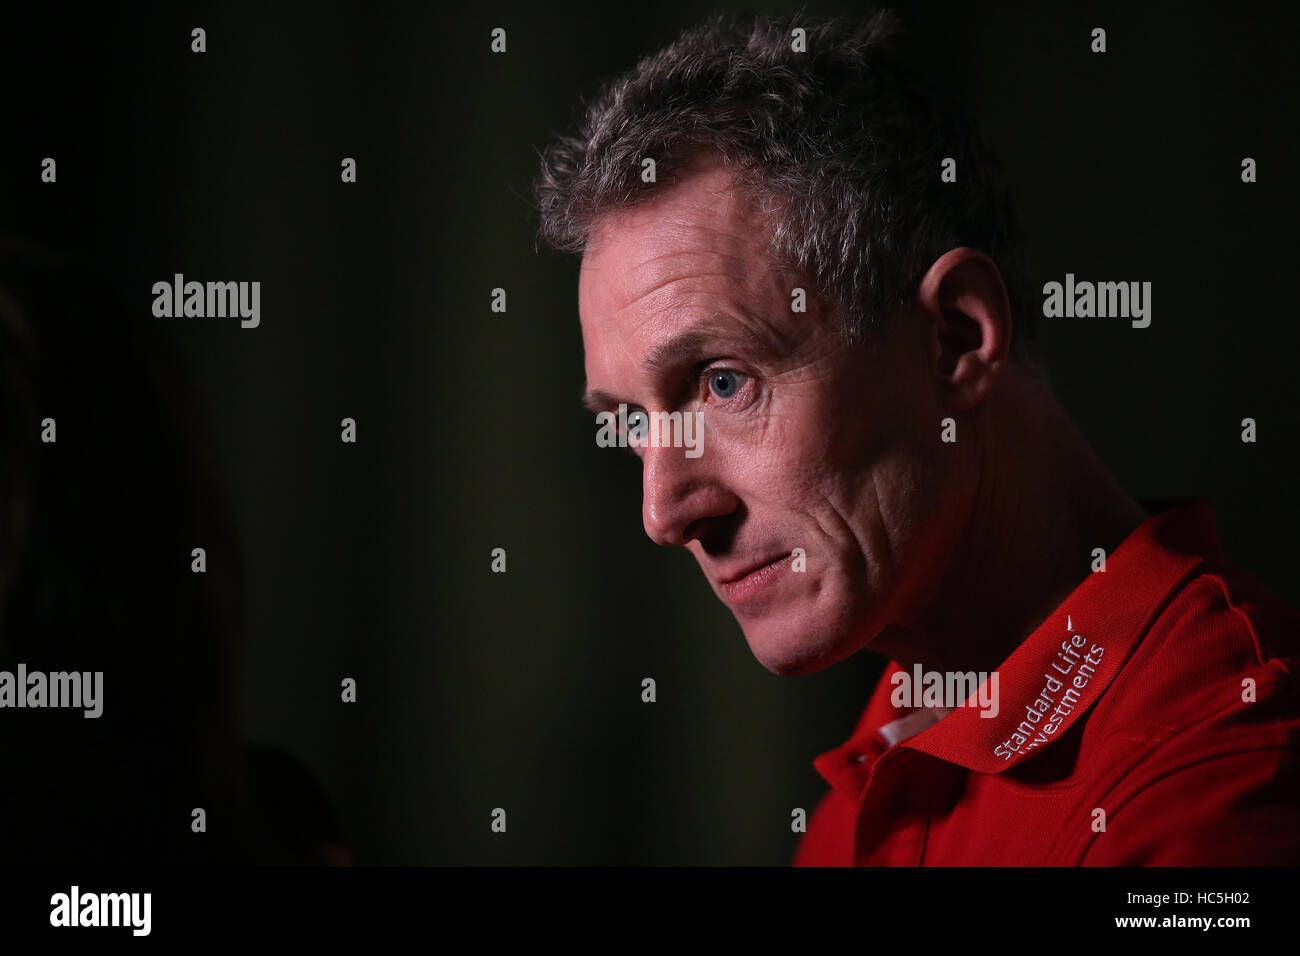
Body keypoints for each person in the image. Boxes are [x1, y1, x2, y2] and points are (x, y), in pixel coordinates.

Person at [533, 11, 1300, 864]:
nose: (665, 511)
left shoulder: (1220, 774)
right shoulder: (878, 773)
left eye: (724, 382)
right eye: (634, 423)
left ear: (957, 340)